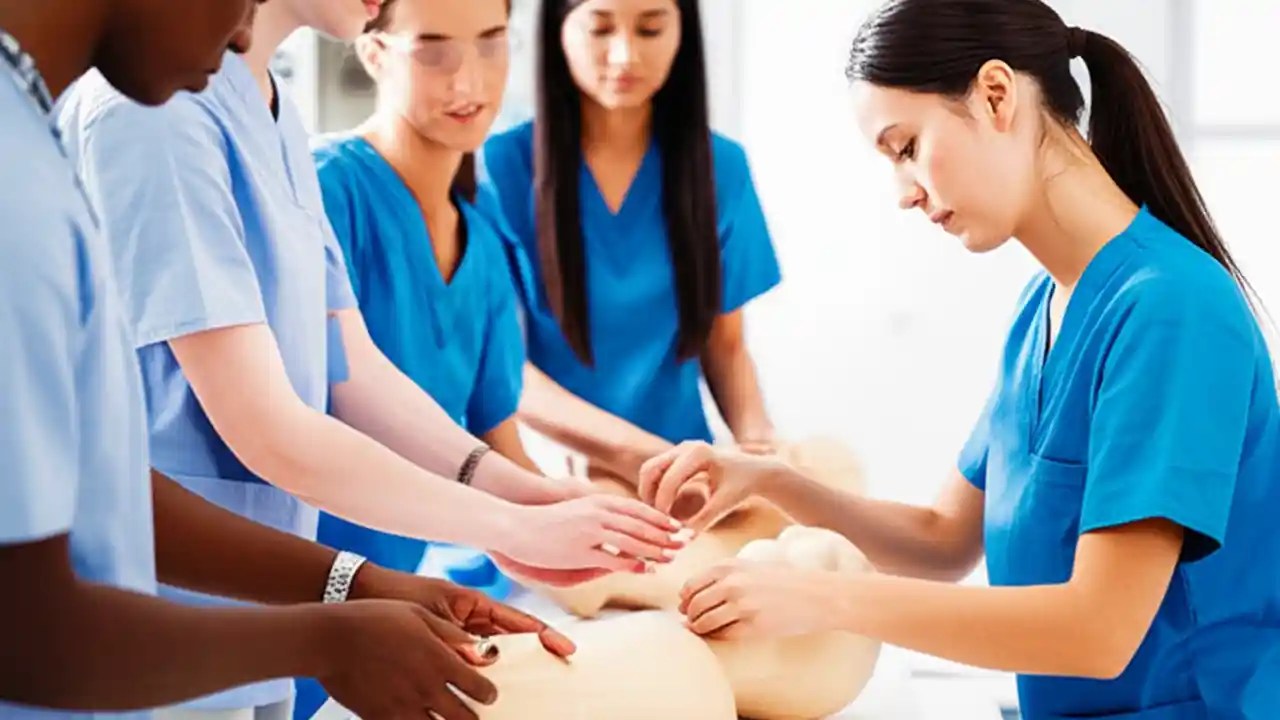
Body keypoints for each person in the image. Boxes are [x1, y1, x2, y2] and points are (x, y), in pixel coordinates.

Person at [640, 1, 1280, 718]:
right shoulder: (1043, 309)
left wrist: (823, 599)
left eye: (907, 146)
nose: (905, 193)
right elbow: (942, 541)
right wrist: (770, 480)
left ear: (997, 94)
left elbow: (1100, 632)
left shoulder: (1171, 311)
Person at [55, 0, 683, 717]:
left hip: (267, 614)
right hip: (154, 621)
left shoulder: (271, 110)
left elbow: (351, 368)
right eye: (436, 46)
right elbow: (267, 429)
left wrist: (521, 496)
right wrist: (506, 526)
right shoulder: (154, 113)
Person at [297, 0, 535, 714]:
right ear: (374, 55)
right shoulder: (326, 190)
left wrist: (609, 540)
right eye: (432, 48)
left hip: (396, 612)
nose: (469, 78)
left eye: (491, 43)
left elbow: (501, 453)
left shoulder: (486, 246)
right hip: (296, 600)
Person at [480, 0, 783, 486]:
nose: (625, 56)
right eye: (600, 29)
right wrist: (640, 456)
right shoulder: (500, 168)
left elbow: (725, 347)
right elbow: (505, 370)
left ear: (682, 32)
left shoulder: (721, 168)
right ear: (559, 31)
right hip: (553, 473)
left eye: (650, 28)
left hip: (683, 472)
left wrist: (757, 443)